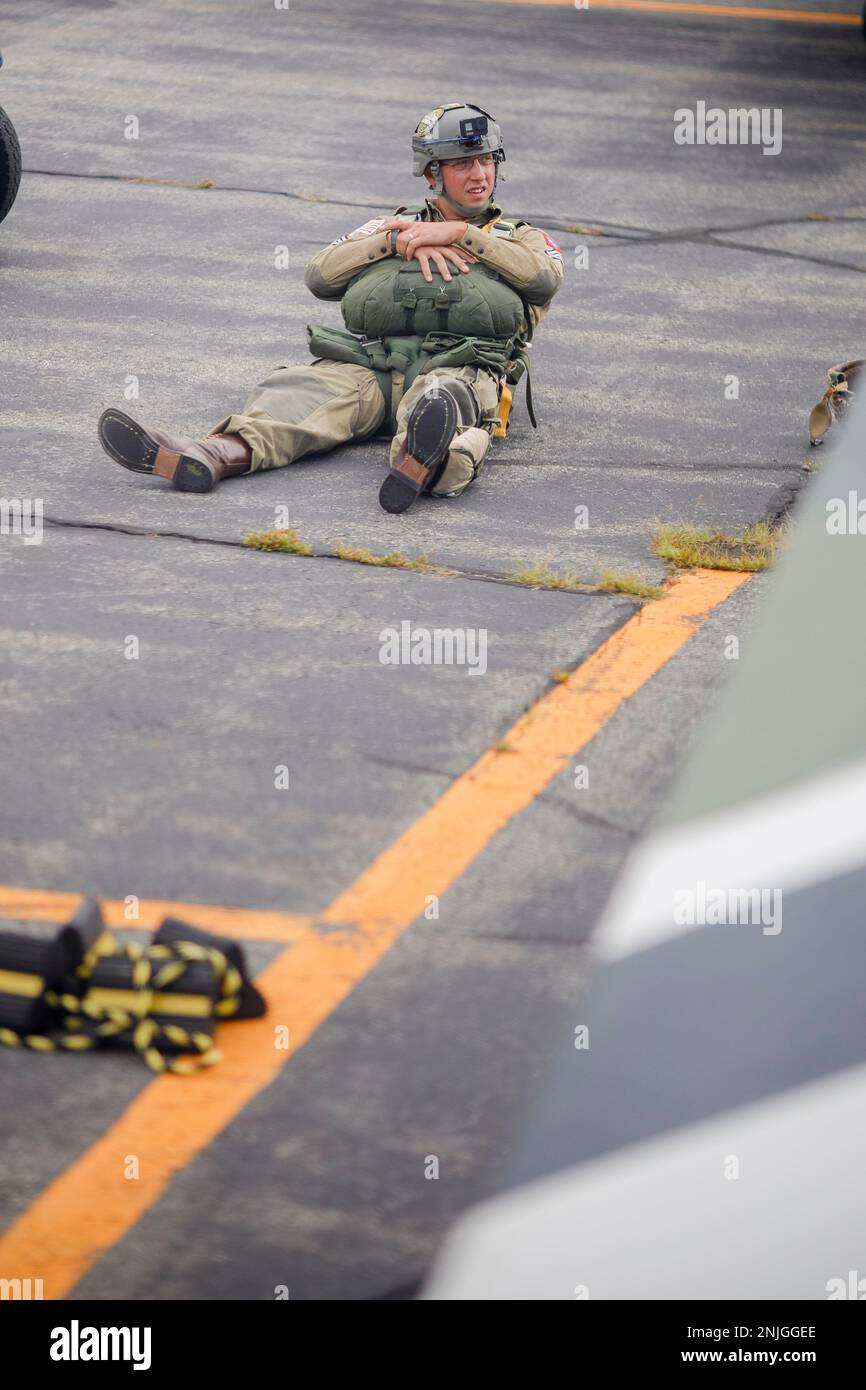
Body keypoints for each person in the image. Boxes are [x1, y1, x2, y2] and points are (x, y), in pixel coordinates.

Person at [98, 102, 564, 514]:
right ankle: (210, 454)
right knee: (297, 391)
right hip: (373, 367)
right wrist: (394, 241)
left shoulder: (521, 238)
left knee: (443, 401)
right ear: (431, 173)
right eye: (463, 163)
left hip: (459, 366)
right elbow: (320, 275)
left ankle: (423, 459)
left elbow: (545, 281)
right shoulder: (389, 226)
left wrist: (463, 236)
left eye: (486, 160)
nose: (480, 175)